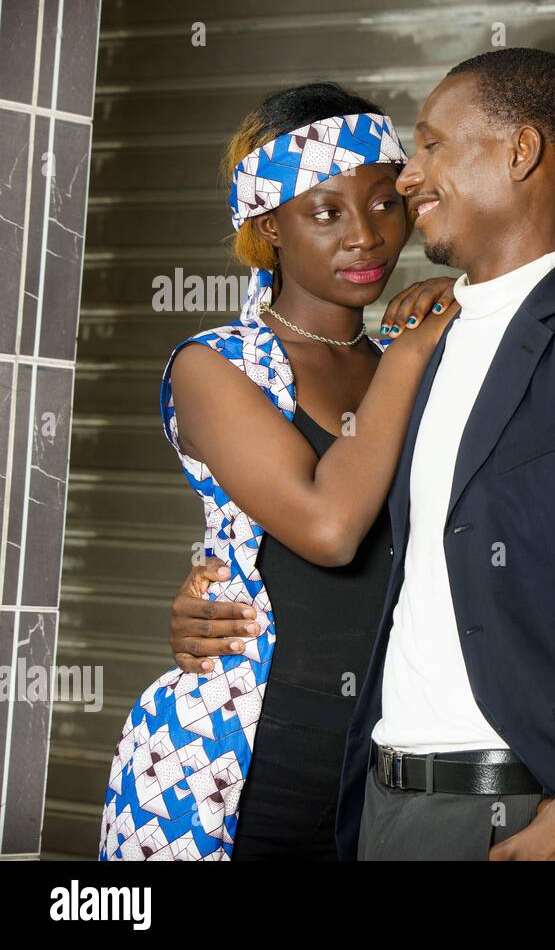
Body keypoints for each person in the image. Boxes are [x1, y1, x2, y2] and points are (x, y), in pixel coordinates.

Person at [167, 47, 555, 861]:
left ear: (521, 152)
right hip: (379, 804)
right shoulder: (417, 353)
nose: (408, 182)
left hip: (520, 809)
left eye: (427, 150)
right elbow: (355, 538)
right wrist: (218, 575)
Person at [97, 82, 463, 860]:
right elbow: (328, 528)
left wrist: (462, 314)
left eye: (382, 204)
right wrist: (412, 352)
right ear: (269, 226)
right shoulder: (214, 366)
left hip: (390, 760)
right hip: (241, 756)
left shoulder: (425, 358)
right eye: (325, 212)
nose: (365, 236)